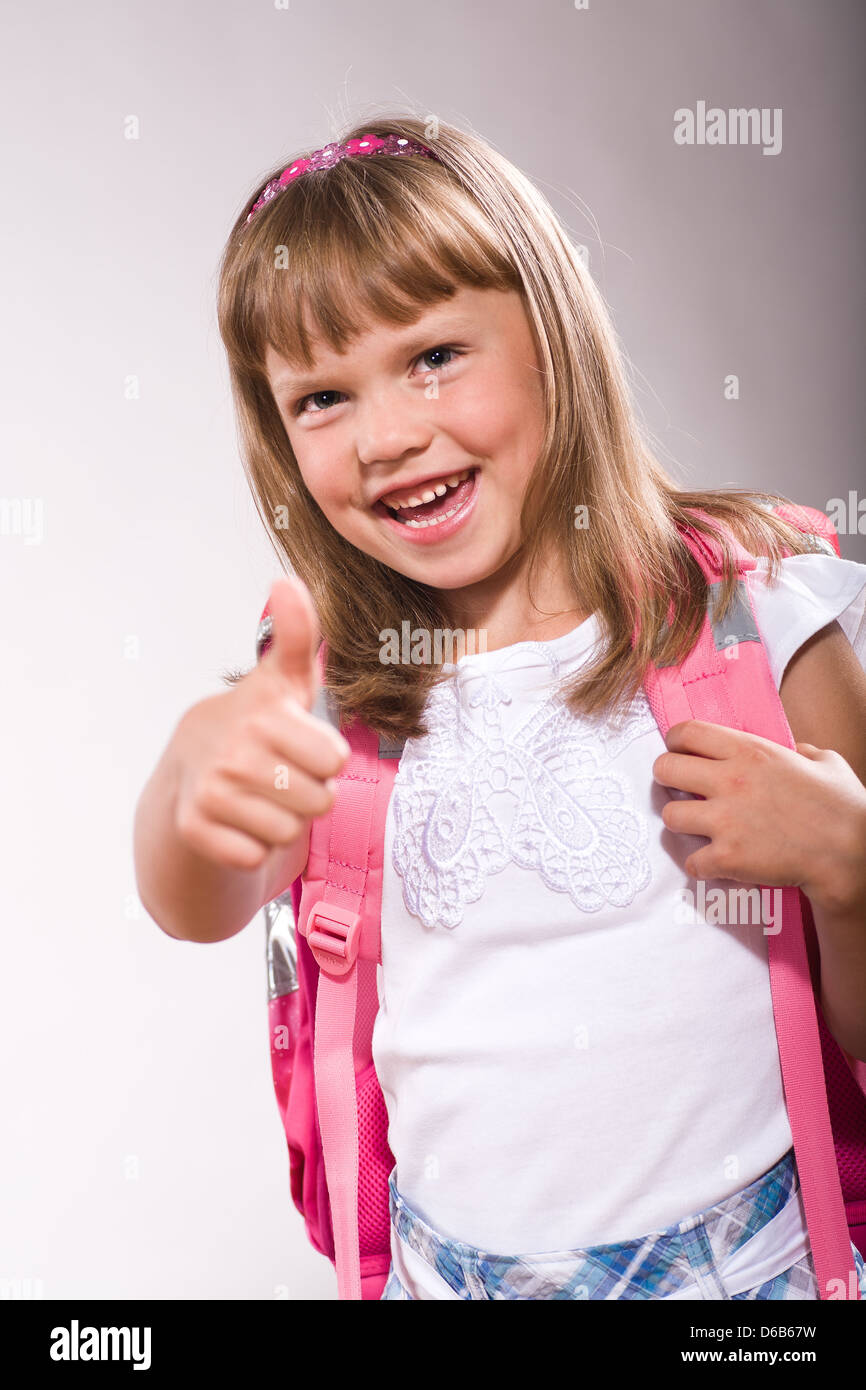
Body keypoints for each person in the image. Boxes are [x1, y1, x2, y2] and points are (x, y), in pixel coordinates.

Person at [133, 115, 866, 1300]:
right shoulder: (326, 689)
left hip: (754, 1275)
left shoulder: (756, 609)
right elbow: (196, 900)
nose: (387, 435)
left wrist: (849, 866)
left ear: (551, 335)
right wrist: (185, 788)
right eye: (321, 397)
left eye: (432, 357)